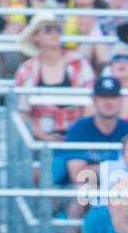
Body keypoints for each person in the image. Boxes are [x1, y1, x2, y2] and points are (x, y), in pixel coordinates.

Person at [64, 75, 128, 233]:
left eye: (113, 97)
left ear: (120, 100)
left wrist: (97, 167)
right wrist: (115, 166)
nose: (109, 103)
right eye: (103, 97)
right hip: (98, 188)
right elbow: (78, 174)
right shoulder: (80, 128)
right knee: (81, 193)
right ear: (94, 100)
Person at [13, 11, 95, 144]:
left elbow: (90, 106)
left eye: (57, 29)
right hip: (39, 142)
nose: (54, 33)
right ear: (35, 37)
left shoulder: (80, 63)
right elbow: (23, 113)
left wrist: (78, 136)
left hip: (78, 139)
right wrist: (44, 137)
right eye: (48, 29)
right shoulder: (26, 70)